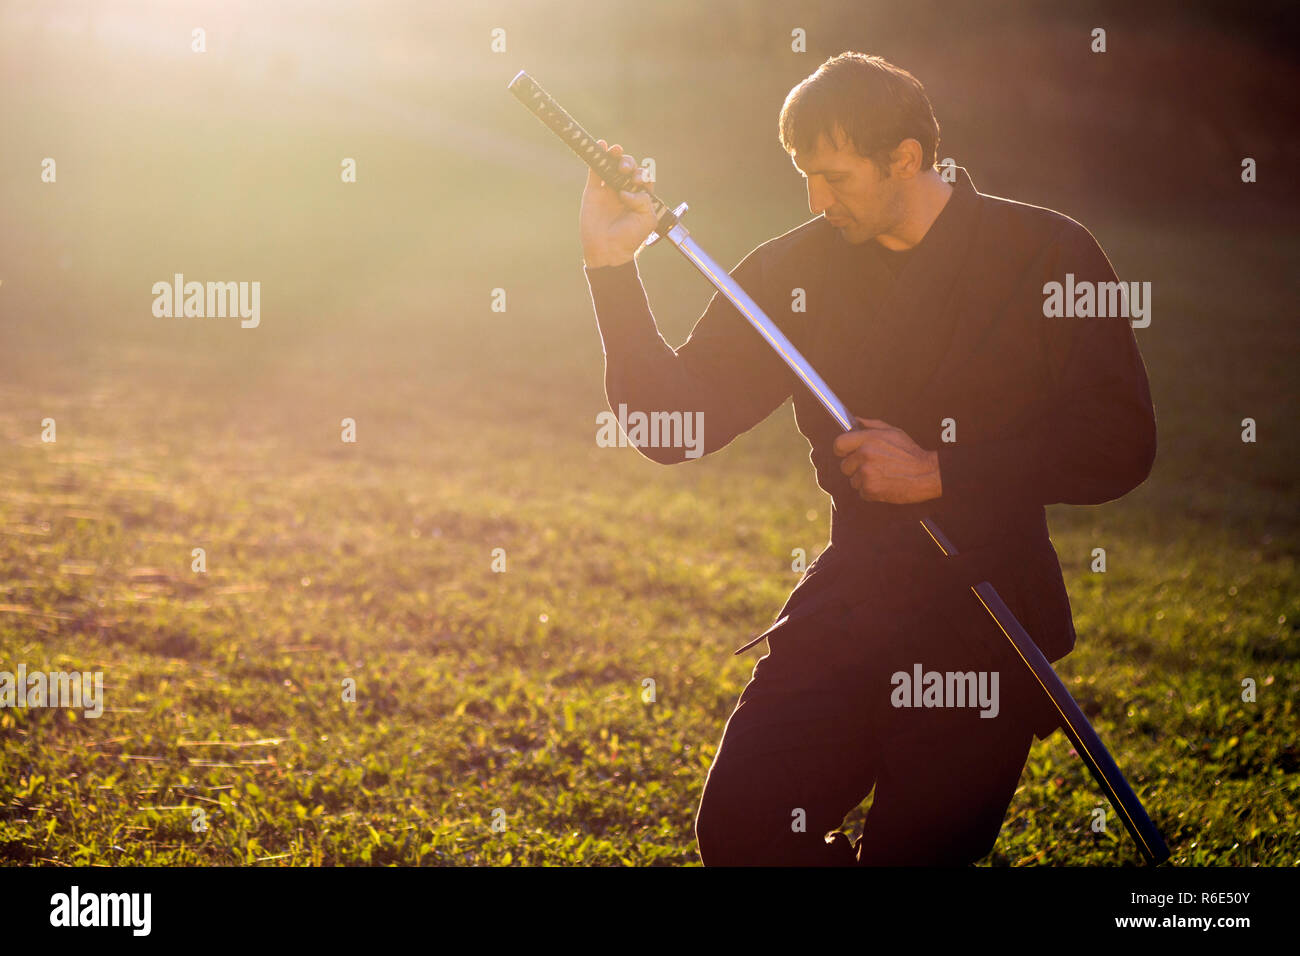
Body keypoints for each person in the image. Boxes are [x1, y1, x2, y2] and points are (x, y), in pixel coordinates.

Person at [579, 52, 1156, 865]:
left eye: (835, 176)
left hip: (985, 622)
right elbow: (675, 427)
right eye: (804, 176)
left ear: (906, 158)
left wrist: (945, 472)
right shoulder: (793, 269)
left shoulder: (1048, 253)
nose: (817, 200)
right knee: (742, 831)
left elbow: (1120, 442)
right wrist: (611, 271)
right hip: (850, 610)